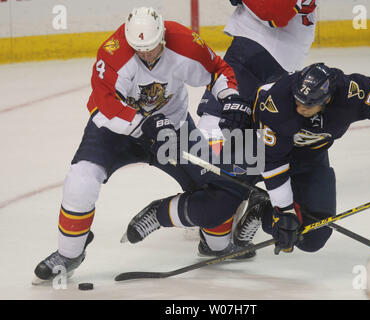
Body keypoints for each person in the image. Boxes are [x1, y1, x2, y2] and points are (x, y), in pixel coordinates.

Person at [33, 7, 253, 283]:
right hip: (117, 133)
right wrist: (143, 123)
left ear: (162, 36)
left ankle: (214, 244)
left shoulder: (184, 42)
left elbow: (217, 72)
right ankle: (68, 254)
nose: (147, 54)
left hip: (174, 129)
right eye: (140, 49)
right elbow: (103, 106)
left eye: (151, 47)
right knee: (80, 180)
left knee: (217, 186)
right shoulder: (113, 53)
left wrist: (230, 96)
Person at [233, 62, 370, 254]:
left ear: (327, 99)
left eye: (308, 104)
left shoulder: (353, 92)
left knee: (314, 236)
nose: (300, 108)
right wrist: (284, 209)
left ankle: (259, 210)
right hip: (257, 150)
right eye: (297, 101)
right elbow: (273, 161)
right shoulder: (277, 102)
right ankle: (215, 233)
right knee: (220, 200)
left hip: (311, 158)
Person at [194, 0, 318, 256]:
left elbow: (275, 14)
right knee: (236, 138)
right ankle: (234, 205)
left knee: (215, 133)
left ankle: (222, 207)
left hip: (261, 53)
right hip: (268, 52)